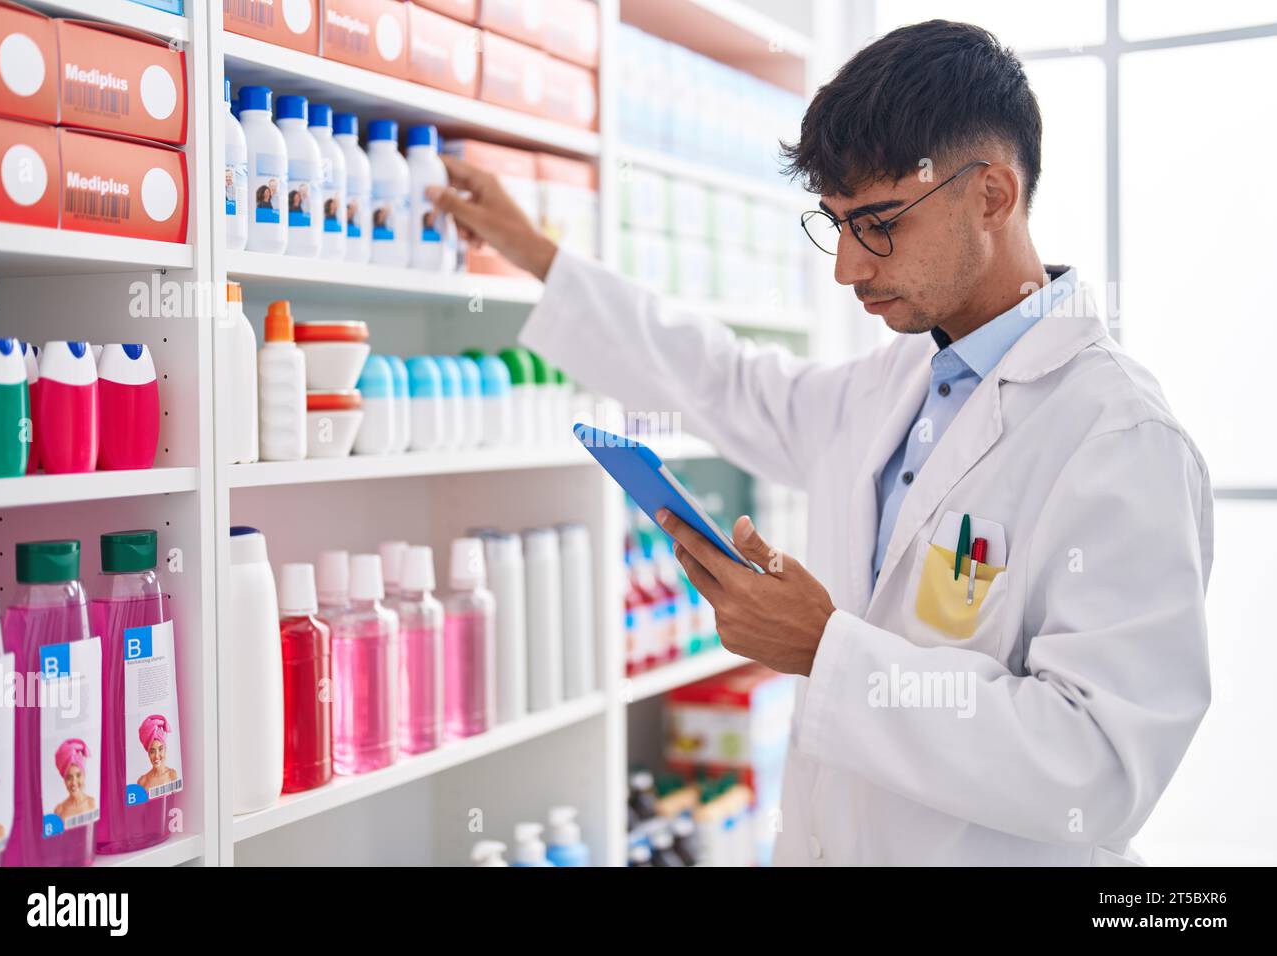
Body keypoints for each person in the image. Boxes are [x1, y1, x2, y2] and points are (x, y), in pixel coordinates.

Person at [428, 19, 1211, 866]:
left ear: (992, 193)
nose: (848, 268)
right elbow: (721, 381)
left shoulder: (1120, 439)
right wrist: (537, 254)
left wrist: (826, 651)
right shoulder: (892, 384)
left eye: (877, 223)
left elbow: (1098, 769)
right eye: (834, 223)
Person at [52, 739, 96, 821]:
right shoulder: (59, 810)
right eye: (69, 777)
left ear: (84, 776)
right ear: (64, 780)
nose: (74, 783)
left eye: (78, 775)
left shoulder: (92, 803)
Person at [136, 715, 178, 793]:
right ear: (148, 754)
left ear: (165, 749)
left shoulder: (172, 775)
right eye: (152, 751)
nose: (157, 756)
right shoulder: (142, 782)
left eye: (160, 749)